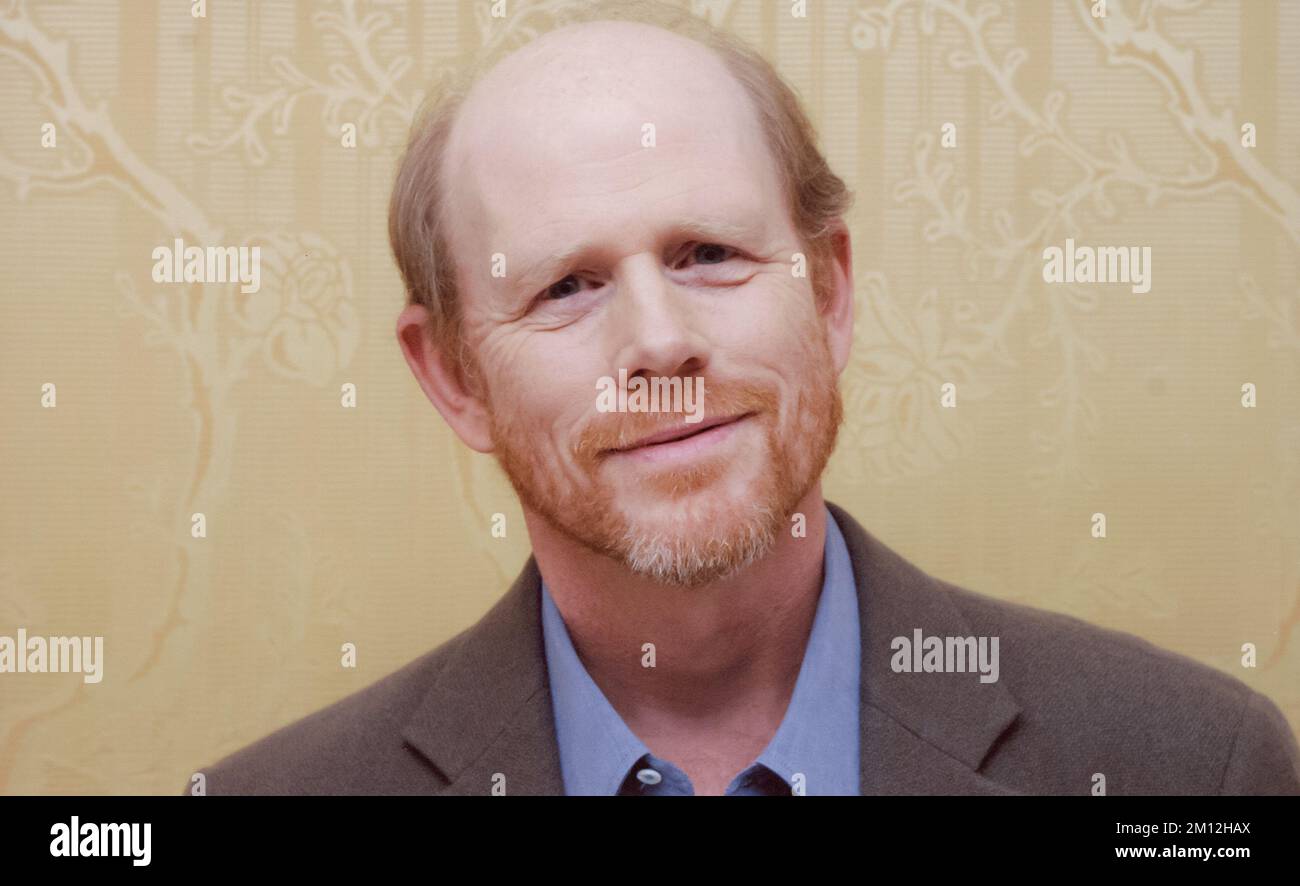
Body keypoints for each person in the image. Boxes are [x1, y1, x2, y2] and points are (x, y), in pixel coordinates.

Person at [188, 0, 1300, 795]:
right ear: (453, 376)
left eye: (710, 253)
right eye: (566, 286)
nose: (660, 342)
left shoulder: (1196, 767)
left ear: (829, 292)